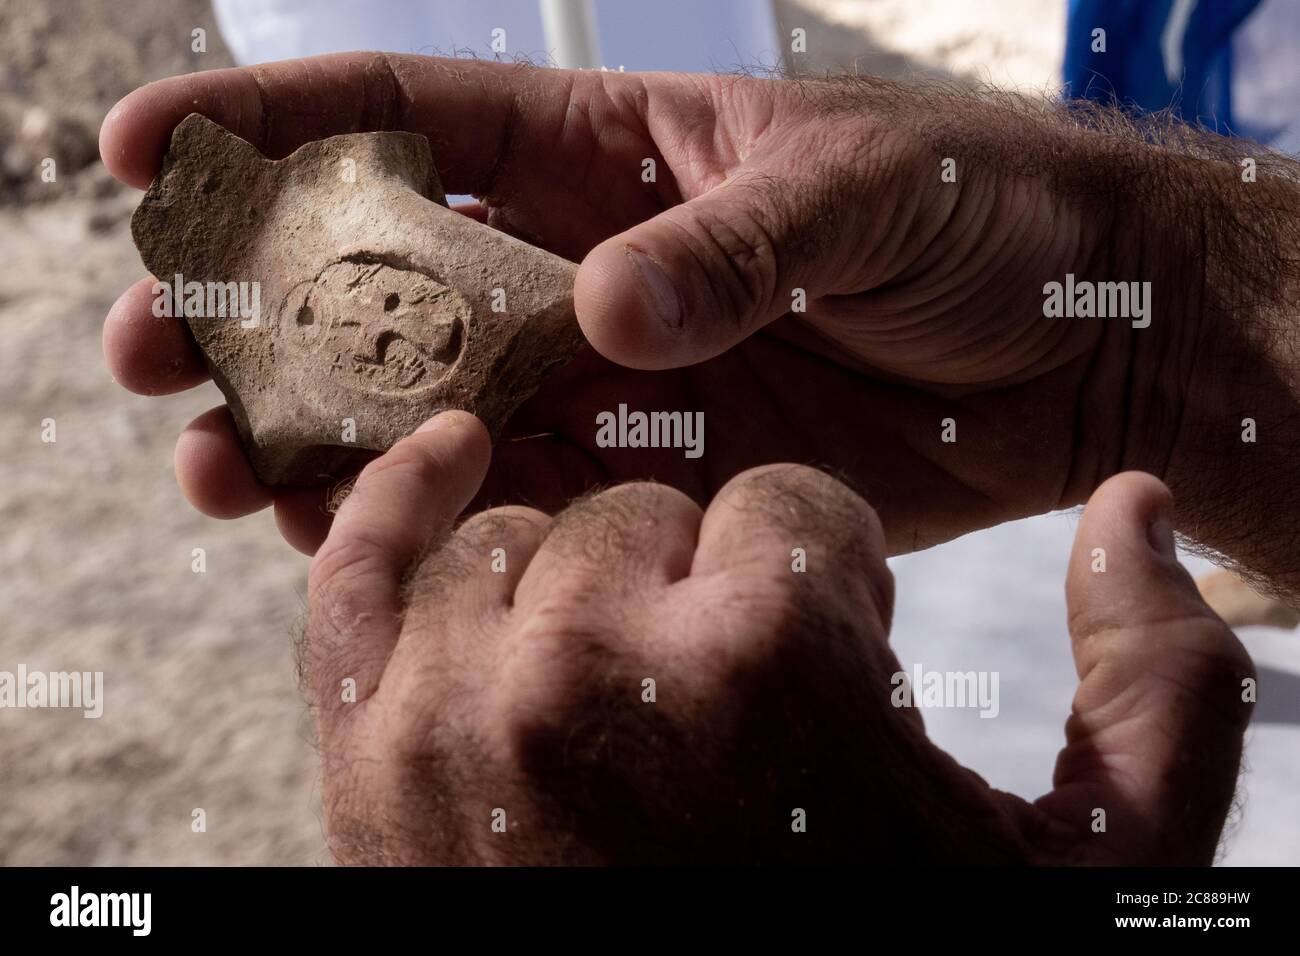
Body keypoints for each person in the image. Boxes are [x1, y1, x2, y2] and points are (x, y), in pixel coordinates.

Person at [100, 55, 1281, 862]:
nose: (383, 327)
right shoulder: (322, 269)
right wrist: (1143, 316)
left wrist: (1147, 335)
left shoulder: (359, 190)